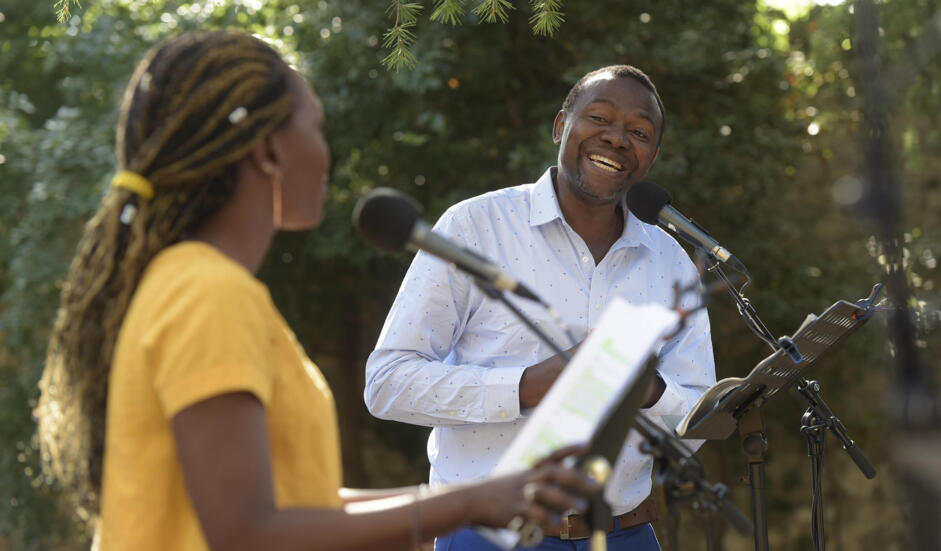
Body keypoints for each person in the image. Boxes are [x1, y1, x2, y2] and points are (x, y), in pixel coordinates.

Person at [34, 30, 598, 551]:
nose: (325, 152)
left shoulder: (200, 285)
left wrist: (463, 505)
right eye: (315, 127)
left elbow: (293, 506)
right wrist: (468, 501)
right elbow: (247, 533)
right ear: (269, 151)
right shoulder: (207, 293)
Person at [365, 65, 716, 550]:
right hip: (490, 535)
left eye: (638, 132)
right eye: (599, 117)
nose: (616, 138)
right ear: (560, 127)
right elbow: (387, 383)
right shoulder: (474, 228)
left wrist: (649, 390)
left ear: (650, 157)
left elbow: (695, 425)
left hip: (625, 534)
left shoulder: (670, 260)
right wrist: (526, 385)